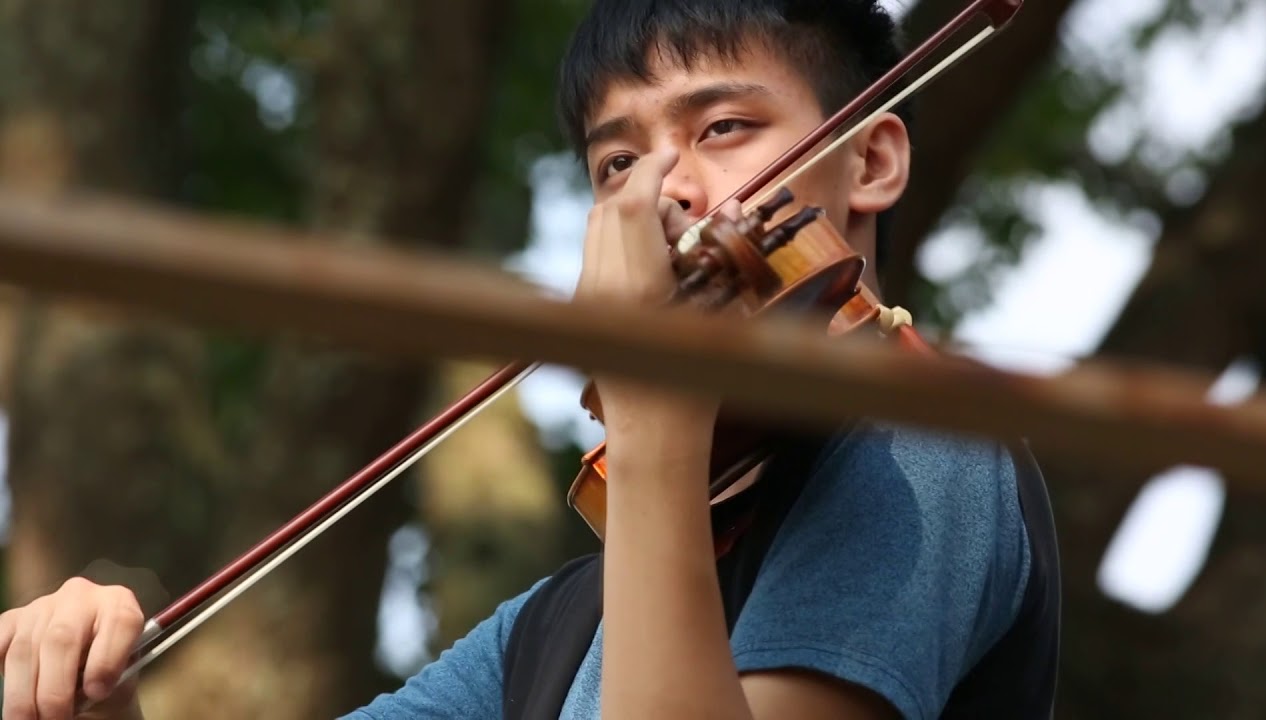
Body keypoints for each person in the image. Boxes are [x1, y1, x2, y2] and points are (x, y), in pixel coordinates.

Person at [0, 1, 1061, 718]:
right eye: (617, 161)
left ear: (868, 158)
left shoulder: (925, 449)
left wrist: (648, 411)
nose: (664, 191)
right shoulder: (553, 628)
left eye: (724, 126)